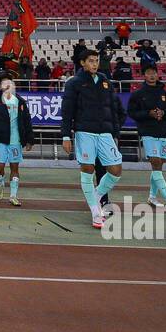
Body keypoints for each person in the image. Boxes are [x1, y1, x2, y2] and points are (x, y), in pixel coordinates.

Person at [61, 48, 126, 229]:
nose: (94, 64)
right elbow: (67, 111)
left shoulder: (105, 81)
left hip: (105, 133)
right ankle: (96, 213)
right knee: (88, 169)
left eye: (96, 60)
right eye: (90, 61)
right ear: (82, 63)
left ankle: (96, 196)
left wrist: (115, 133)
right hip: (84, 132)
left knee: (116, 170)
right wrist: (66, 135)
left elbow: (114, 109)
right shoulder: (74, 83)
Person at [126, 64, 166, 208]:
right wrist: (148, 114)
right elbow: (132, 113)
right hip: (148, 131)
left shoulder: (165, 94)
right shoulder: (138, 94)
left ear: (157, 75)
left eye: (154, 73)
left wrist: (164, 113)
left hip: (163, 132)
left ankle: (152, 197)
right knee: (155, 162)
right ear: (144, 75)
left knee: (158, 167)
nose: (151, 76)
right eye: (148, 73)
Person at [0, 75, 34, 206]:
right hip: (0, 140)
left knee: (15, 167)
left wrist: (30, 139)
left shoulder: (20, 102)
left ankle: (13, 196)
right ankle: (0, 181)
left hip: (16, 140)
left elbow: (27, 121)